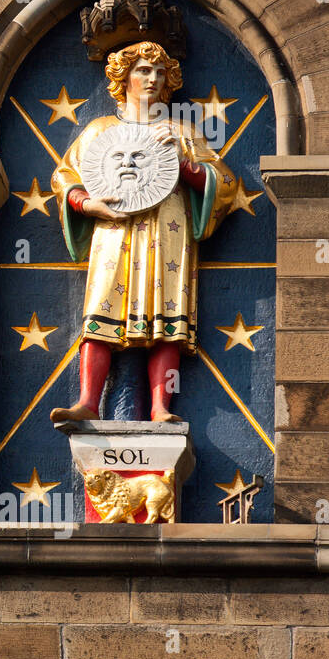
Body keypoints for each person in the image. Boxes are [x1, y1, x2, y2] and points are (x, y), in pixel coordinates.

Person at [49, 40, 237, 424]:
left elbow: (227, 184)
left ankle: (161, 407)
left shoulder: (180, 130)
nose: (152, 79)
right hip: (114, 226)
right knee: (101, 307)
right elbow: (64, 176)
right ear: (124, 77)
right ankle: (88, 401)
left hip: (167, 228)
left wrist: (186, 165)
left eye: (159, 72)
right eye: (142, 71)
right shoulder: (100, 130)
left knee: (168, 316)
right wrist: (87, 204)